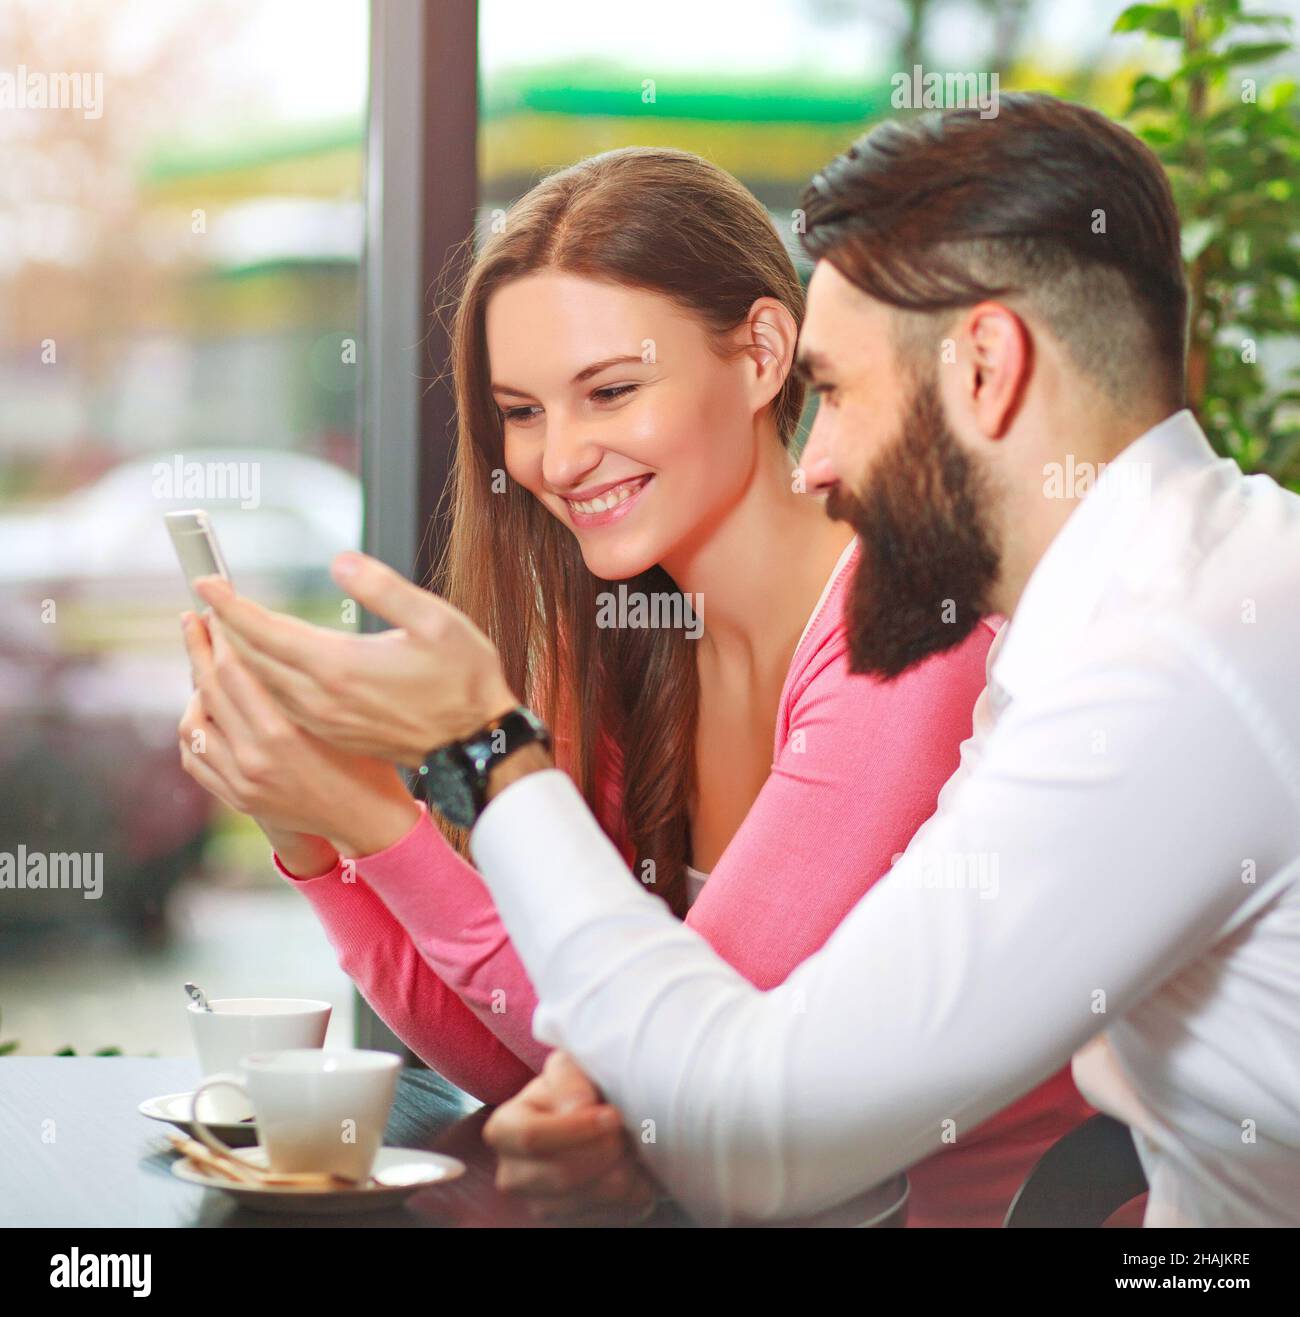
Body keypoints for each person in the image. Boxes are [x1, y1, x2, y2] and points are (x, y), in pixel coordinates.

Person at [190, 93, 1300, 1227]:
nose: (815, 461)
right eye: (523, 409)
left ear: (986, 368)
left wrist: (474, 750)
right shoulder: (1107, 631)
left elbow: (743, 1132)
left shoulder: (1163, 665)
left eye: (841, 393)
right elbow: (699, 1088)